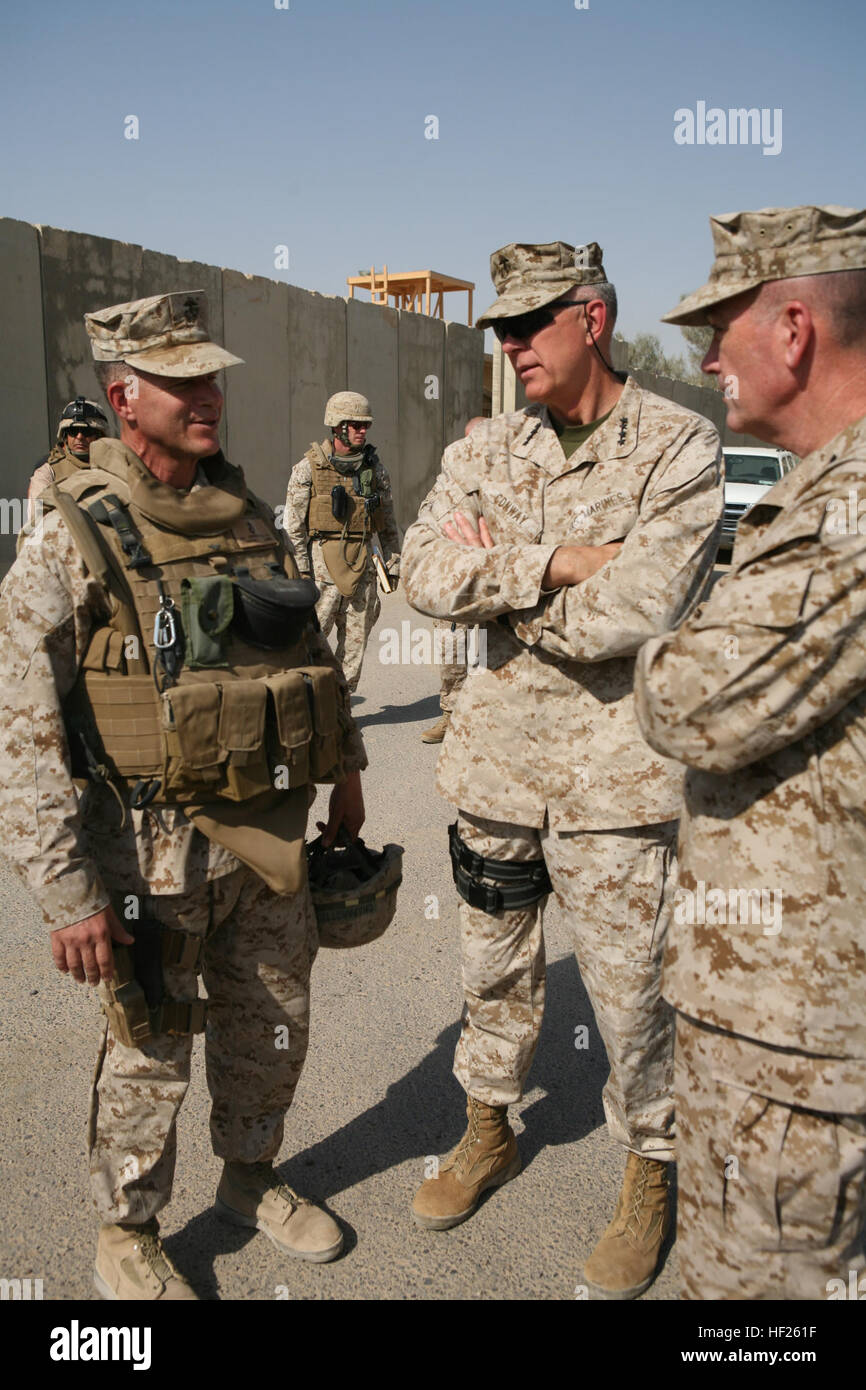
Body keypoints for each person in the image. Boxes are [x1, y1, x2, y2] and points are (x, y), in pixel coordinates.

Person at [0, 290, 367, 1300]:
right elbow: (19, 724)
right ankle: (126, 1227)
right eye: (182, 381)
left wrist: (346, 776)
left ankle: (251, 1172)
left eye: (210, 376)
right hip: (143, 857)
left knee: (269, 1019)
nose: (208, 395)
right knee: (149, 1049)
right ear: (124, 396)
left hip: (267, 839)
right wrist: (65, 890)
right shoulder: (71, 532)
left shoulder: (249, 516)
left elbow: (311, 651)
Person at [401, 240, 724, 1299]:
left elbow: (638, 611)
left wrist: (493, 585)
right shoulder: (487, 446)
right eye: (498, 327)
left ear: (591, 317)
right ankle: (485, 1127)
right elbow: (420, 572)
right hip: (493, 768)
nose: (508, 343)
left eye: (529, 322)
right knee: (490, 967)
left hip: (615, 784)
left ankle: (648, 1174)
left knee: (632, 996)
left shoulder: (676, 446)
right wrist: (547, 561)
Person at [633, 204, 866, 1300]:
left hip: (799, 1042)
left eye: (717, 329)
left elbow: (685, 703)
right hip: (776, 1016)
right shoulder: (812, 490)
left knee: (752, 1302)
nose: (706, 359)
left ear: (791, 329)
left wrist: (662, 636)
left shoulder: (847, 513)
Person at [283, 391, 401, 693]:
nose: (363, 431)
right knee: (311, 643)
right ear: (337, 426)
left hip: (362, 565)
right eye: (355, 425)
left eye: (366, 426)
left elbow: (387, 522)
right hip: (322, 566)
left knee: (355, 647)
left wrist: (393, 561)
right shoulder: (308, 469)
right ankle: (307, 704)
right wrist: (303, 573)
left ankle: (341, 706)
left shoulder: (375, 470)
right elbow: (292, 527)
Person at [421, 417, 487, 745]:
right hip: (455, 578)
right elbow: (426, 516)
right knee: (451, 649)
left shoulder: (514, 482)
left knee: (501, 653)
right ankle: (450, 714)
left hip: (494, 580)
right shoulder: (447, 483)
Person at [27, 395, 110, 501]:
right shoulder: (48, 469)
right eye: (73, 431)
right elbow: (37, 512)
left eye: (87, 432)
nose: (79, 437)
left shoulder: (114, 465)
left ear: (99, 436)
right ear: (65, 435)